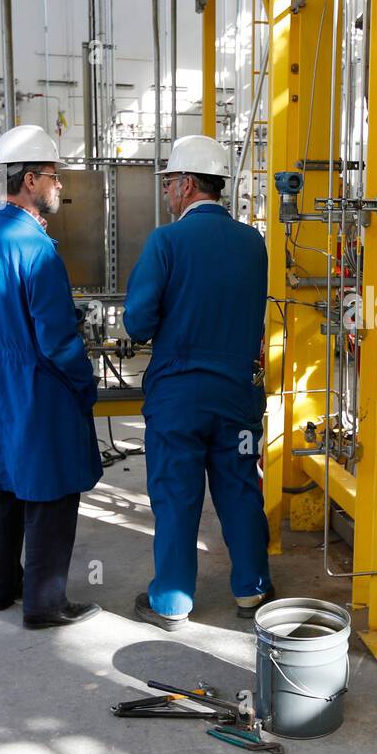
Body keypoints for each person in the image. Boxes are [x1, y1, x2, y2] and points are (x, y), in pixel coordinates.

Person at [124, 135, 272, 630]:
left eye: (168, 182)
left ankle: (171, 602)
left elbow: (138, 322)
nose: (167, 191)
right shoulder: (254, 243)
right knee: (240, 489)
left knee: (176, 494)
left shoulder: (166, 241)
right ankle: (252, 590)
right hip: (238, 395)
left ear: (186, 184)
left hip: (178, 397)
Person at [0, 124, 103, 629]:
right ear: (29, 180)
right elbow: (57, 339)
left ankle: (4, 588)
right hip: (40, 382)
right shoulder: (38, 249)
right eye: (53, 176)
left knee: (6, 483)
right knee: (51, 489)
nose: (59, 186)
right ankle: (45, 604)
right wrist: (83, 383)